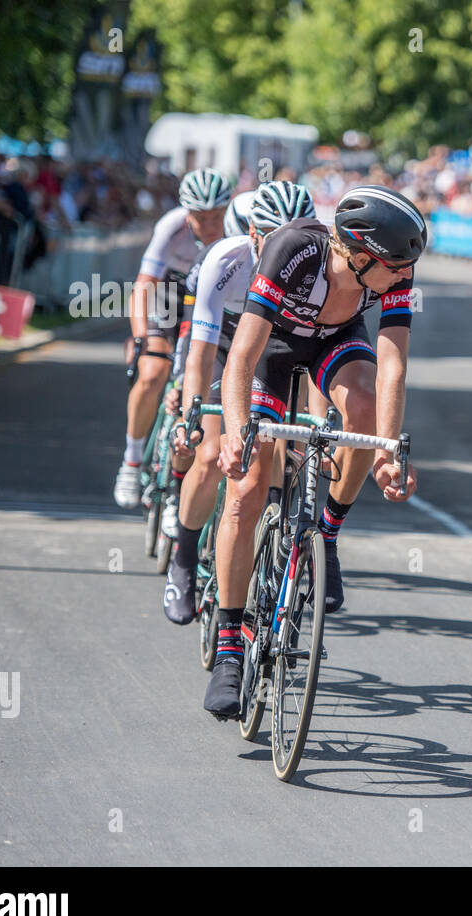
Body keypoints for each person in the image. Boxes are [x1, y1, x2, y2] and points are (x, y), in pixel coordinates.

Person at [203, 184, 423, 719]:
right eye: (395, 267)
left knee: (364, 410)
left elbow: (392, 364)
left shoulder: (396, 269)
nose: (404, 276)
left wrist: (389, 451)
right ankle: (231, 641)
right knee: (248, 487)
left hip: (335, 341)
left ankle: (326, 531)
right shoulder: (292, 250)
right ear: (363, 253)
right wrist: (236, 433)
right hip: (270, 352)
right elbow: (241, 358)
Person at [162, 182, 317, 624]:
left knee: (281, 454)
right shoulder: (225, 261)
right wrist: (192, 411)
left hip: (274, 351)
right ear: (252, 234)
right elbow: (201, 349)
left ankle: (264, 539)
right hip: (224, 346)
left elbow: (308, 358)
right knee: (211, 454)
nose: (288, 247)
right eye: (273, 235)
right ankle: (185, 559)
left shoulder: (315, 264)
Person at [113, 168, 231, 509]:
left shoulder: (236, 227)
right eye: (200, 218)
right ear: (186, 212)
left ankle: (181, 481)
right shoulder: (172, 226)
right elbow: (144, 286)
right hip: (169, 294)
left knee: (200, 377)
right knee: (152, 373)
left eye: (217, 217)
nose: (210, 226)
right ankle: (132, 461)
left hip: (209, 297)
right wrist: (141, 340)